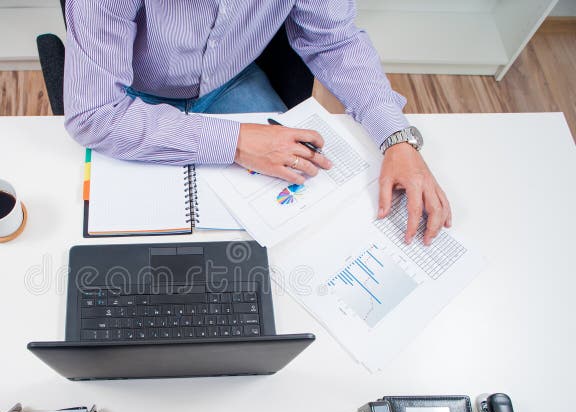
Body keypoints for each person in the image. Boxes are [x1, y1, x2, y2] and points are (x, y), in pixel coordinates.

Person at [63, 0, 452, 245]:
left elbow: (334, 42)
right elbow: (96, 114)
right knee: (134, 244)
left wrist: (397, 138)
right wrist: (235, 141)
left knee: (296, 235)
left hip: (230, 80)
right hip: (136, 95)